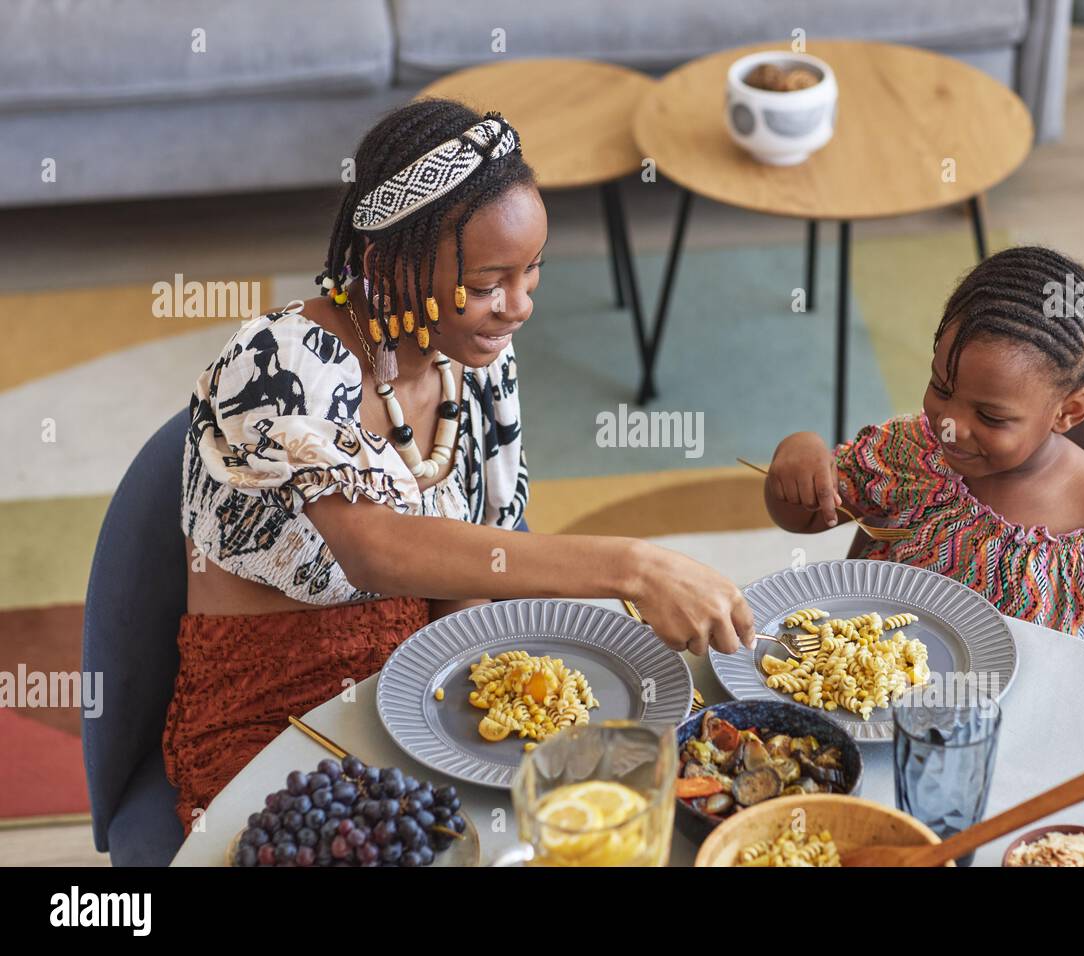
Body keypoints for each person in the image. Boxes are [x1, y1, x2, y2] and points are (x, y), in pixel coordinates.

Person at [164, 99, 753, 830]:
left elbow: (473, 564)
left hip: (417, 671)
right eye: (485, 283)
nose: (518, 306)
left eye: (532, 272)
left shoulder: (474, 361)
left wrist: (505, 693)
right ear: (385, 264)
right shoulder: (280, 363)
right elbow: (377, 550)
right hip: (272, 704)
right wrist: (631, 567)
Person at [764, 246, 1084, 670]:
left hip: (1029, 722)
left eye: (990, 416)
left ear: (1068, 411)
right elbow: (804, 517)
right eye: (941, 388)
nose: (951, 425)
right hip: (870, 693)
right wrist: (796, 458)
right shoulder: (910, 451)